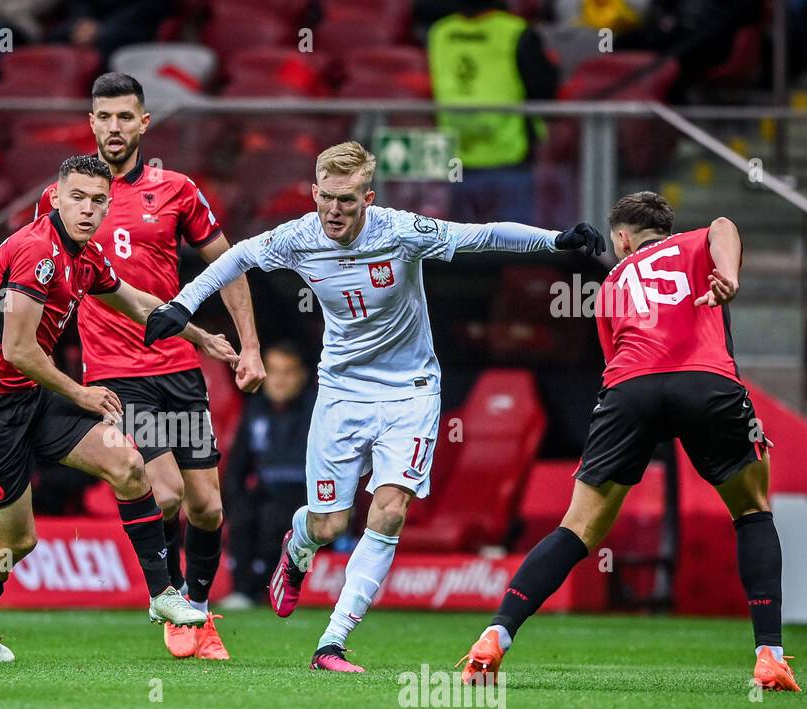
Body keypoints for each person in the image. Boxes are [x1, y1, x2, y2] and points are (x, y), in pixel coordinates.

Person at [153, 141, 605, 672]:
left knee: (390, 510)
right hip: (341, 391)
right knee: (327, 525)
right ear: (314, 192)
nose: (335, 211)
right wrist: (182, 305)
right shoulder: (298, 237)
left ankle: (332, 642)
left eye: (347, 200)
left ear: (368, 198)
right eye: (326, 198)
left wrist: (556, 241)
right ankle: (298, 546)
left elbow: (481, 235)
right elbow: (236, 258)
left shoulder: (401, 231)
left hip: (410, 390)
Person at [458, 192, 799, 693]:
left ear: (621, 239)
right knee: (751, 513)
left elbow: (615, 361)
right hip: (706, 385)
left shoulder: (614, 282)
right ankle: (769, 655)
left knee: (576, 528)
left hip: (628, 391)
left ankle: (494, 636)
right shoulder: (694, 244)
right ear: (666, 229)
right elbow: (724, 222)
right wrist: (730, 276)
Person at [0, 154, 239, 663]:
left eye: (99, 200)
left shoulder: (86, 255)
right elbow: (18, 349)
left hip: (28, 398)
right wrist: (80, 393)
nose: (88, 209)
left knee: (127, 462)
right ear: (55, 197)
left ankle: (164, 594)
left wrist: (201, 335)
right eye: (77, 197)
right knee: (18, 540)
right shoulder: (37, 252)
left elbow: (140, 302)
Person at [33, 72, 265, 660]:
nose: (114, 127)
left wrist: (250, 346)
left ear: (144, 123)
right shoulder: (60, 197)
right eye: (103, 116)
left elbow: (228, 264)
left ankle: (197, 610)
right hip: (113, 371)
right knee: (162, 494)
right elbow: (34, 274)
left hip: (177, 368)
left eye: (124, 117)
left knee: (207, 506)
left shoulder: (177, 190)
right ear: (90, 123)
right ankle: (171, 604)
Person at [426, 0, 559, 224]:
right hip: (502, 160)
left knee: (465, 246)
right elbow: (544, 89)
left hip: (469, 158)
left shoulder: (439, 32)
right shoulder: (516, 31)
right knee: (514, 244)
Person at [223, 342, 315, 608]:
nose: (280, 381)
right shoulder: (255, 409)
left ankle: (270, 586)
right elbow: (238, 465)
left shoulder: (317, 410)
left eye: (288, 372)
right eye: (273, 372)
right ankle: (242, 589)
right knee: (243, 510)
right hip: (265, 491)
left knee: (273, 515)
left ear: (302, 375)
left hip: (304, 494)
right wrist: (234, 500)